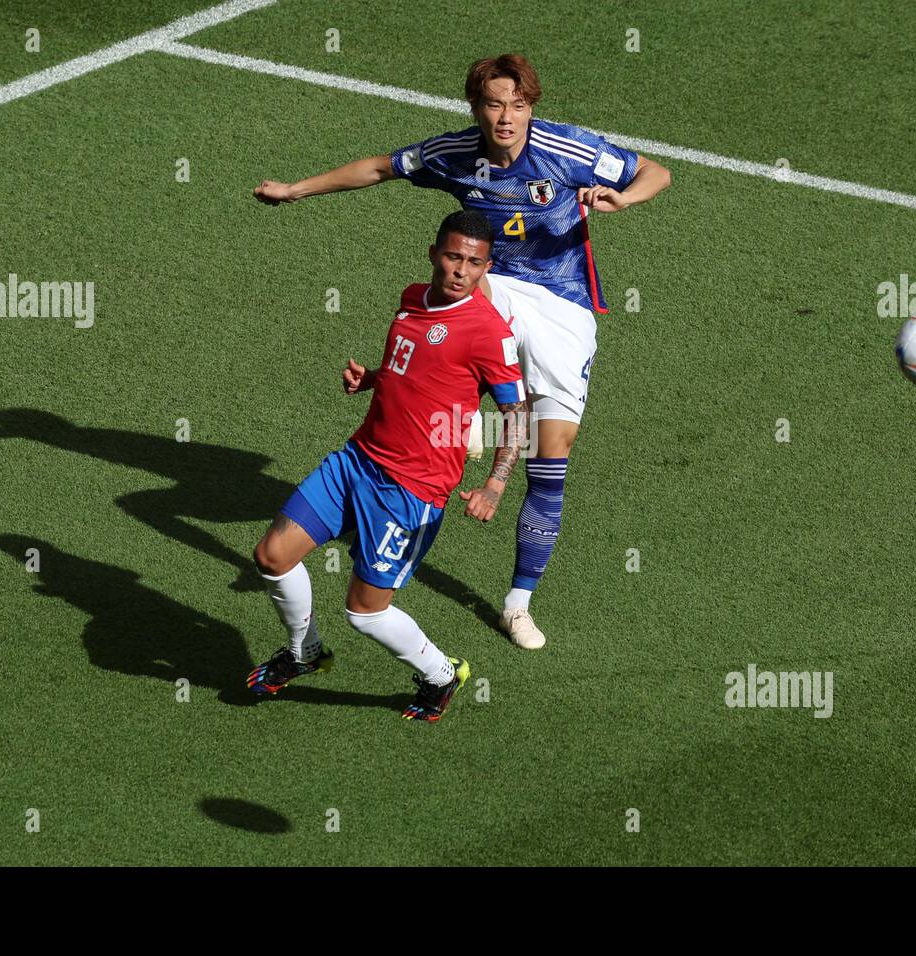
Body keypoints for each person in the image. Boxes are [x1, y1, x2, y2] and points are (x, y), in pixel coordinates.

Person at [253, 54, 671, 650]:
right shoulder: (453, 153)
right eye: (495, 104)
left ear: (532, 107)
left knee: (551, 454)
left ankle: (518, 602)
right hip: (493, 284)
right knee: (457, 315)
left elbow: (657, 171)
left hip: (562, 305)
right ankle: (472, 419)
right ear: (476, 108)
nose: (507, 117)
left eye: (518, 105)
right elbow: (379, 168)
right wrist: (297, 189)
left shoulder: (569, 149)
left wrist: (625, 200)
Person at [247, 210, 527, 722]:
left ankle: (442, 674)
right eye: (452, 256)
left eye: (473, 262)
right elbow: (416, 367)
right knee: (272, 556)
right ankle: (304, 651)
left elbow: (518, 412)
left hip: (411, 491)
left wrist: (494, 485)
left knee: (364, 612)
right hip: (357, 460)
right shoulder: (411, 297)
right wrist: (374, 378)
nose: (460, 269)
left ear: (486, 267)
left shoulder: (488, 332)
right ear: (433, 253)